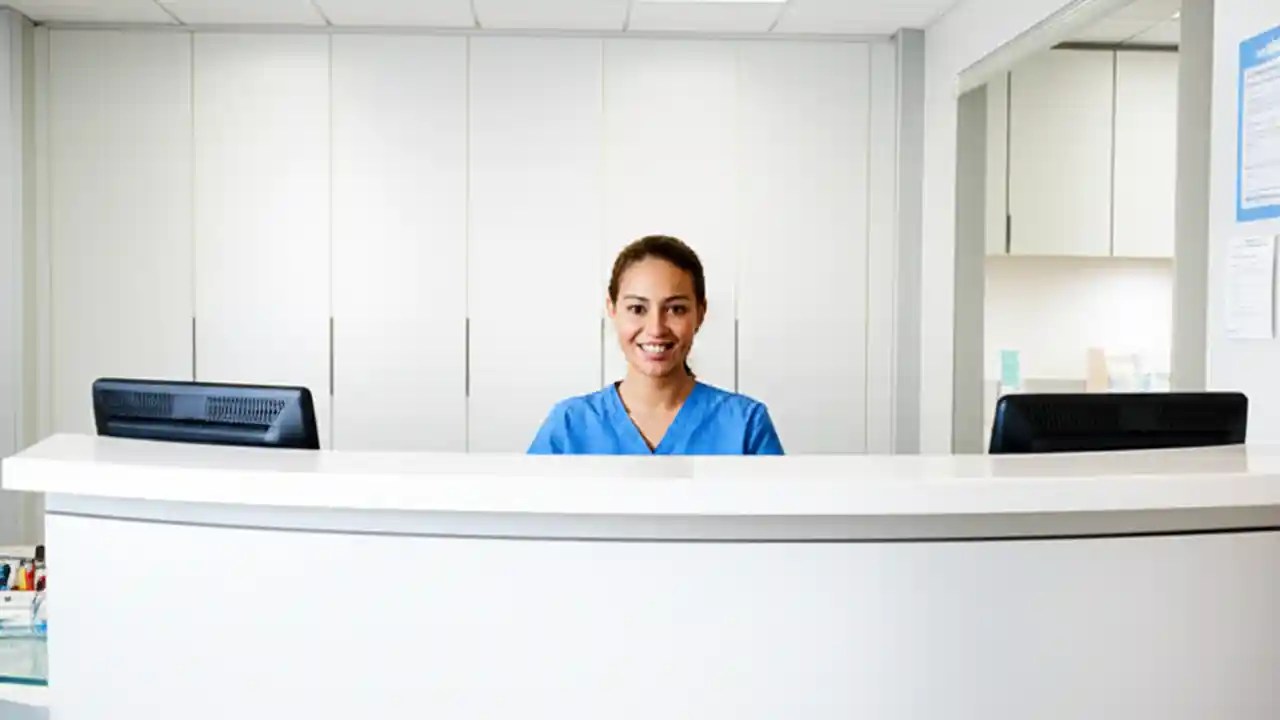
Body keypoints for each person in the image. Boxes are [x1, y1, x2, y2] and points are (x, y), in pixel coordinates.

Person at [529, 235, 783, 455]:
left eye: (676, 309)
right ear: (612, 310)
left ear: (700, 313)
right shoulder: (568, 426)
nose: (656, 329)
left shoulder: (746, 426)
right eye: (637, 309)